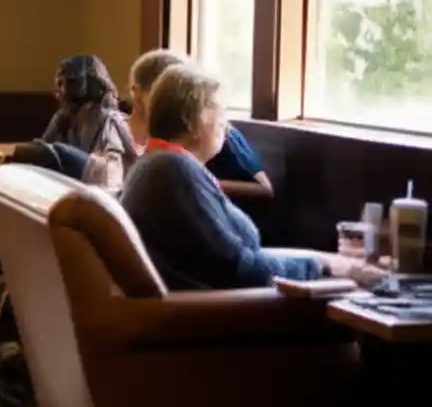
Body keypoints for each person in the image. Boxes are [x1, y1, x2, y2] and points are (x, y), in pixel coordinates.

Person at [120, 63, 382, 289]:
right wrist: (325, 268)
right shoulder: (172, 173)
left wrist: (333, 263)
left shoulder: (160, 165)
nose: (226, 121)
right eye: (220, 110)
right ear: (193, 119)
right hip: (221, 319)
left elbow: (238, 258)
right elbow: (238, 268)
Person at [127, 48, 273, 198]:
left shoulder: (223, 133)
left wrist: (204, 182)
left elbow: (265, 188)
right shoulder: (157, 137)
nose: (163, 99)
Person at [41, 54, 137, 172]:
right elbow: (44, 150)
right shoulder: (62, 118)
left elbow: (111, 170)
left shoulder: (110, 121)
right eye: (59, 84)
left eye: (69, 82)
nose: (61, 91)